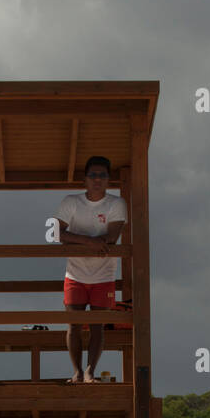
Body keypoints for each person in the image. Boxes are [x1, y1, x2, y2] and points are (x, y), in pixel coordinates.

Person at [55, 156, 127, 383]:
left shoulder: (116, 204)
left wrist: (76, 240)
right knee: (73, 325)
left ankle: (90, 372)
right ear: (85, 179)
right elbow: (57, 234)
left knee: (98, 326)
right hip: (74, 274)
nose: (97, 180)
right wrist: (91, 242)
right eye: (93, 175)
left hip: (104, 275)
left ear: (108, 179)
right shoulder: (70, 202)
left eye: (102, 175)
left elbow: (112, 237)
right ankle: (76, 372)